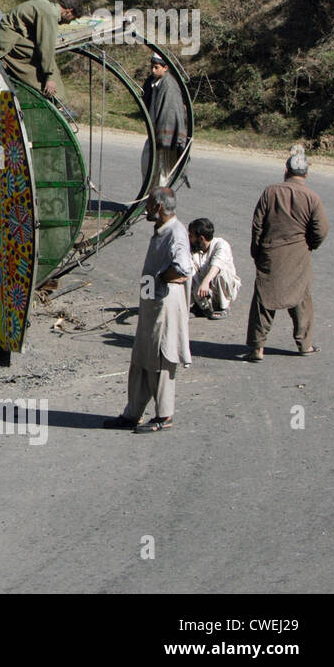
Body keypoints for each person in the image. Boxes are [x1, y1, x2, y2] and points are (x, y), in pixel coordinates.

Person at [105, 187, 192, 433]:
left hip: (163, 307)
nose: (146, 208)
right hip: (151, 305)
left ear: (159, 207)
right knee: (142, 358)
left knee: (160, 359)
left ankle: (164, 415)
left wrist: (161, 278)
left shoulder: (176, 232)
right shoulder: (162, 230)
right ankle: (132, 413)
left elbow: (183, 269)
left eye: (150, 204)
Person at [245, 146, 329, 362]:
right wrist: (309, 245)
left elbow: (257, 225)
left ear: (286, 170)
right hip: (298, 255)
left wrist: (257, 252)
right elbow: (320, 231)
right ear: (306, 174)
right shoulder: (312, 198)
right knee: (300, 297)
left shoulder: (270, 192)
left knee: (263, 300)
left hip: (270, 254)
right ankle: (305, 344)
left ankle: (257, 348)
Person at [0, 0, 82, 101]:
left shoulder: (45, 4)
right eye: (72, 19)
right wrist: (50, 77)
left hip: (7, 39)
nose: (69, 23)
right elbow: (46, 48)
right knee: (40, 66)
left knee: (45, 62)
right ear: (68, 11)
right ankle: (56, 99)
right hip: (8, 45)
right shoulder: (49, 15)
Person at [141, 53, 188, 188]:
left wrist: (163, 137)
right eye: (152, 67)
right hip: (154, 135)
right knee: (148, 169)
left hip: (166, 141)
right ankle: (149, 199)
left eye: (156, 67)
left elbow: (171, 115)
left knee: (162, 174)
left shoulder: (169, 86)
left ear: (165, 68)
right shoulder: (152, 83)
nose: (153, 70)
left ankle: (159, 200)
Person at [188, 218, 240, 320]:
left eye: (191, 236)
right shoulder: (193, 248)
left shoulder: (221, 245)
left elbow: (217, 265)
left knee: (221, 272)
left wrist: (206, 281)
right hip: (202, 292)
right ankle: (201, 307)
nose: (189, 238)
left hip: (217, 288)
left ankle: (223, 307)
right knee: (187, 269)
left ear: (201, 238)